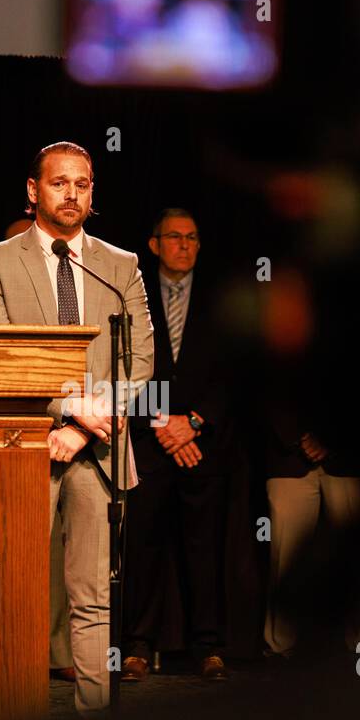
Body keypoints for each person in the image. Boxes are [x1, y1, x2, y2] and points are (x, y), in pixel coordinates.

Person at [0, 141, 153, 714]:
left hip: (95, 451)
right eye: (59, 183)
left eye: (83, 184)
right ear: (33, 190)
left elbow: (140, 359)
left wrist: (82, 427)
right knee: (18, 595)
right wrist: (68, 412)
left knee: (93, 598)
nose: (72, 194)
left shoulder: (119, 264)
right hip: (27, 445)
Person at [123, 210, 235, 681]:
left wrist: (192, 422)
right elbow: (127, 363)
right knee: (144, 545)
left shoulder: (223, 298)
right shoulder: (133, 292)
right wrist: (163, 423)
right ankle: (136, 648)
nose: (184, 245)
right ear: (154, 245)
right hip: (150, 442)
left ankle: (208, 648)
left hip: (202, 444)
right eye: (174, 237)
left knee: (203, 549)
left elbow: (235, 371)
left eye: (192, 237)